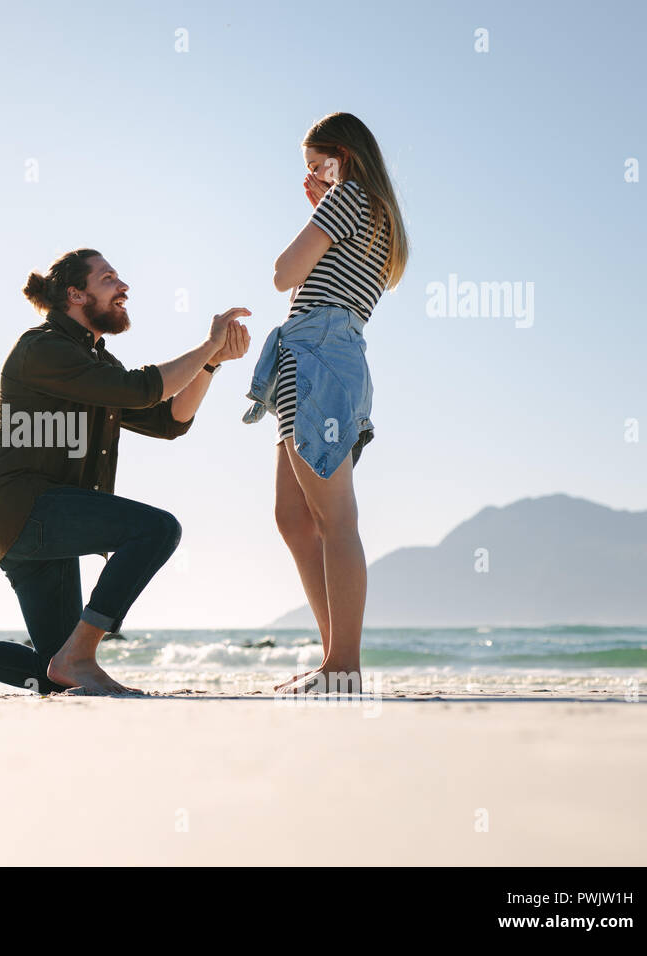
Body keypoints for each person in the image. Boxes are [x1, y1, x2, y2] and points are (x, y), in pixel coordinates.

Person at [0, 249, 250, 695]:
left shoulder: (96, 361)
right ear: (75, 295)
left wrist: (211, 363)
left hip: (37, 519)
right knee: (157, 530)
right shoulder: (42, 349)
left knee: (53, 675)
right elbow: (142, 391)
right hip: (25, 508)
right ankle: (81, 654)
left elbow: (168, 421)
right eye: (108, 278)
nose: (123, 287)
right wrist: (208, 345)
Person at [244, 112, 410, 694]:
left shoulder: (348, 200)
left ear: (346, 154)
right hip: (316, 353)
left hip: (318, 350)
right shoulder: (372, 210)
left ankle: (343, 667)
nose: (313, 175)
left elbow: (283, 273)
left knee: (335, 519)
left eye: (320, 164)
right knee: (294, 517)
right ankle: (333, 660)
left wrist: (319, 207)